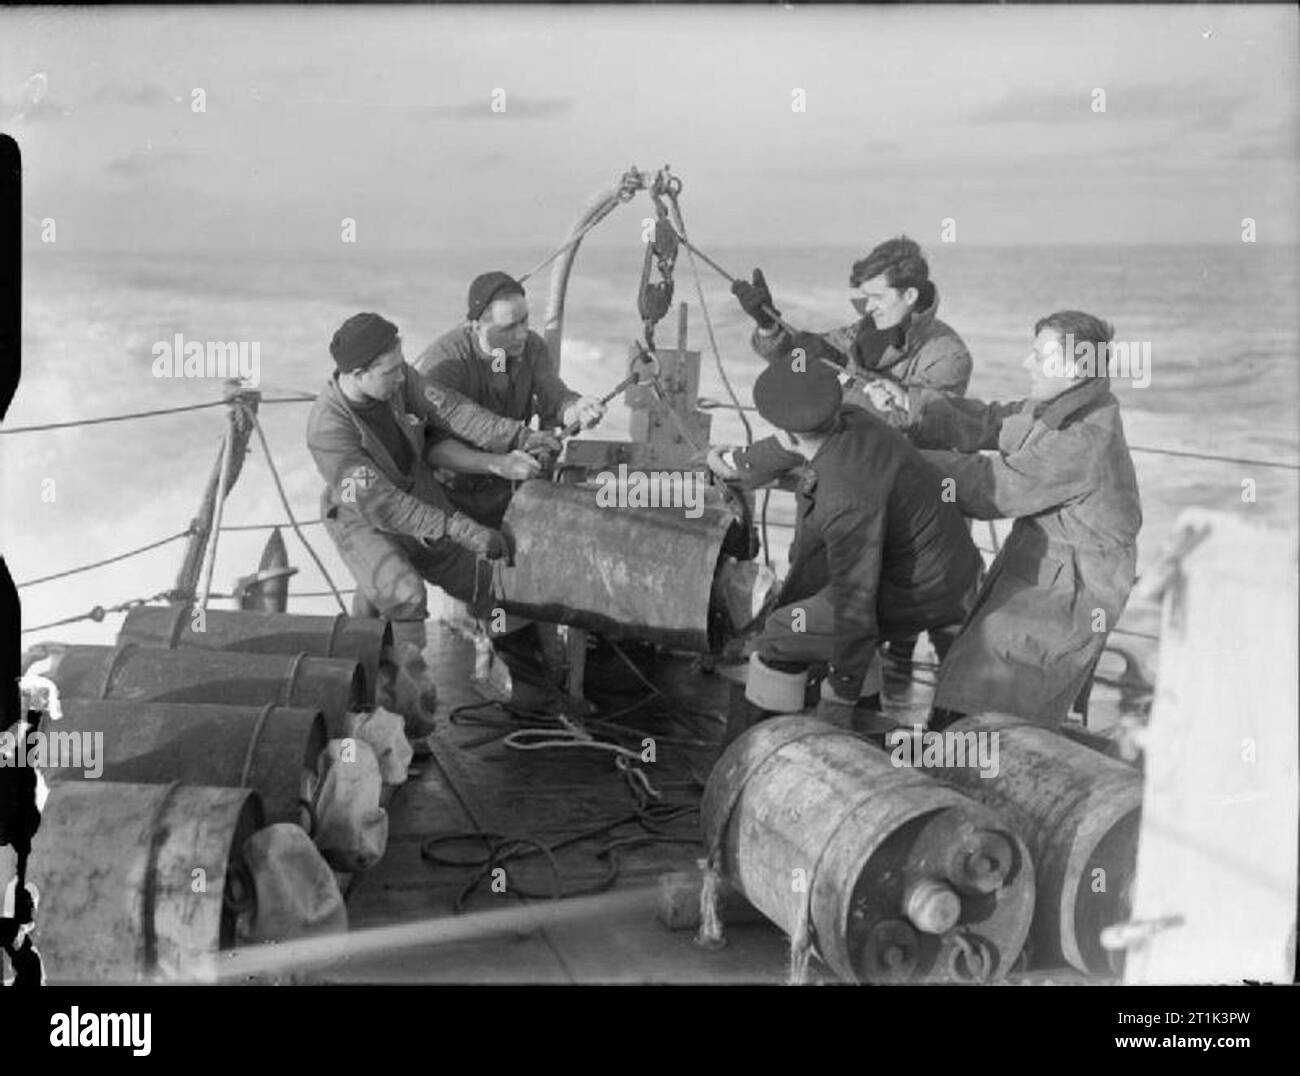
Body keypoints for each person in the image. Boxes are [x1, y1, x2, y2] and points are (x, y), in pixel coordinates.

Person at [710, 341, 982, 742]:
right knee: (829, 621)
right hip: (943, 572)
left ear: (787, 430)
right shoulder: (852, 419)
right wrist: (737, 463)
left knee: (782, 633)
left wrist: (839, 699)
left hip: (919, 593)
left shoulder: (846, 495)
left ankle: (758, 752)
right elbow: (787, 449)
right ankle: (867, 735)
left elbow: (855, 605)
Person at [306, 312, 559, 738]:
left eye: (400, 366)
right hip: (362, 519)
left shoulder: (400, 377)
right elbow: (381, 504)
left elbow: (453, 410)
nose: (401, 379)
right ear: (357, 374)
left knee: (489, 581)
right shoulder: (328, 430)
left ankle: (530, 690)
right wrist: (461, 528)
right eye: (389, 372)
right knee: (405, 596)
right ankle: (404, 726)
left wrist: (517, 437)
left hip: (421, 500)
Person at [901, 310, 1142, 727]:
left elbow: (993, 487)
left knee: (988, 693)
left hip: (1070, 592)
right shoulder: (1068, 405)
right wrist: (909, 405)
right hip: (1045, 570)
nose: (1026, 364)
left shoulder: (1083, 436)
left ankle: (963, 770)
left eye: (1039, 355)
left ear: (1074, 366)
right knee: (975, 682)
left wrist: (902, 459)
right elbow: (992, 422)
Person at [413, 271, 606, 527]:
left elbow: (554, 397)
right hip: (448, 498)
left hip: (508, 487)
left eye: (525, 321)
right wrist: (498, 464)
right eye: (509, 328)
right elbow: (433, 449)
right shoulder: (447, 363)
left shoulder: (531, 348)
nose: (522, 334)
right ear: (476, 327)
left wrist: (578, 409)